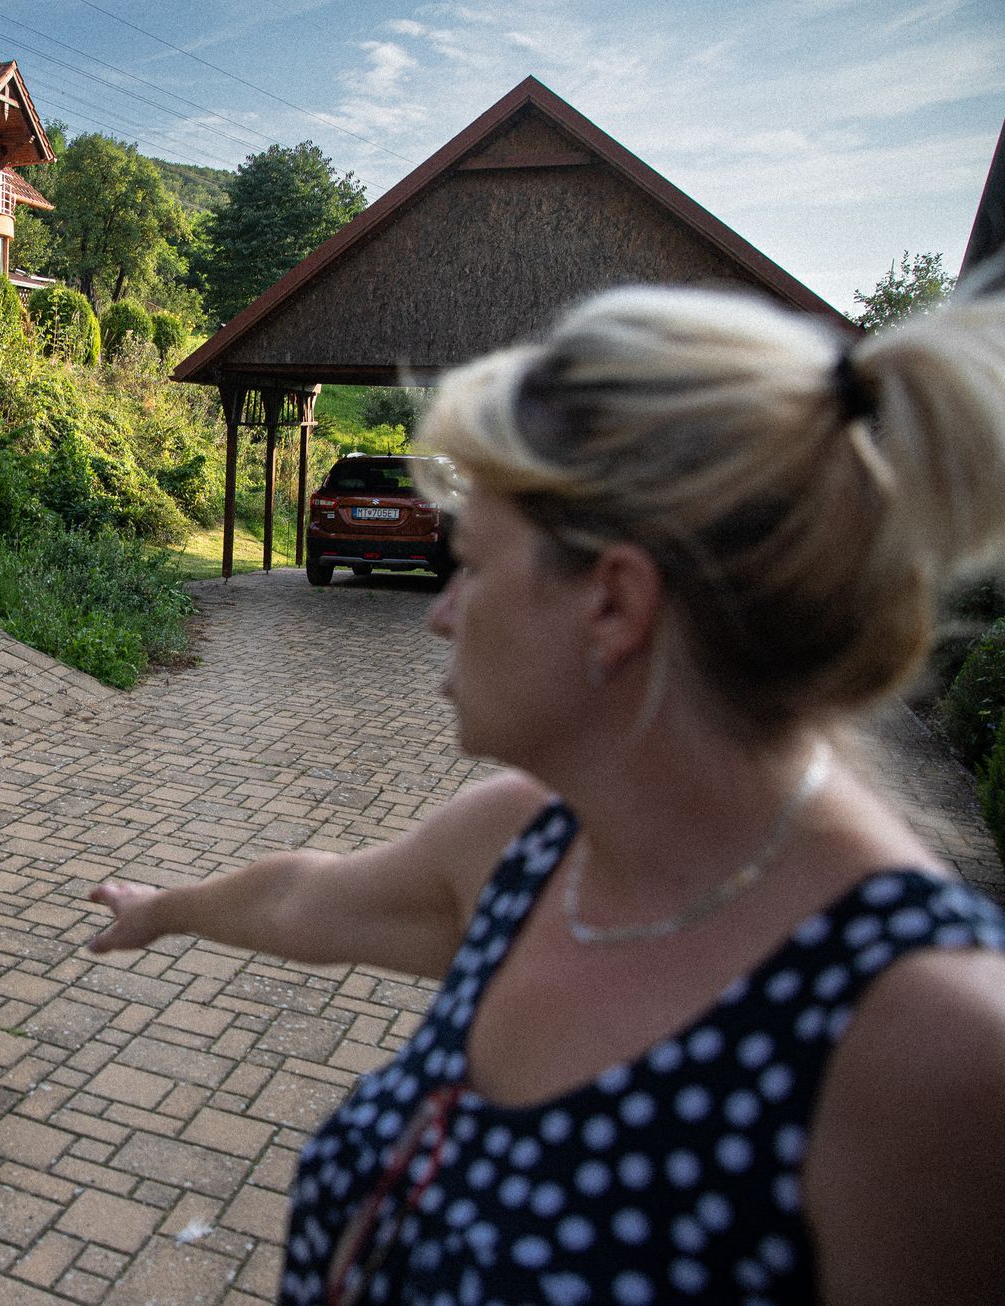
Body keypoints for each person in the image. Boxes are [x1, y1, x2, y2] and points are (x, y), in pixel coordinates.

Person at [85, 278, 1005, 1305]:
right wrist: (162, 911)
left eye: (469, 563)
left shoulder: (936, 1052)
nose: (443, 614)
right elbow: (306, 896)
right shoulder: (528, 841)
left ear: (611, 602)